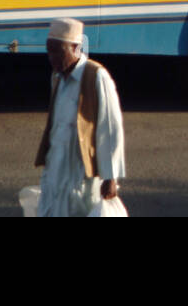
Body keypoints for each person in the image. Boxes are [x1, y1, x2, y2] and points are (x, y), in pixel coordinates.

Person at [35, 18, 126, 217]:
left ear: (76, 48)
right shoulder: (57, 77)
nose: (52, 59)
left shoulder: (97, 77)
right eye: (49, 52)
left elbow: (109, 128)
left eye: (58, 52)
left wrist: (110, 178)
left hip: (80, 175)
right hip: (55, 172)